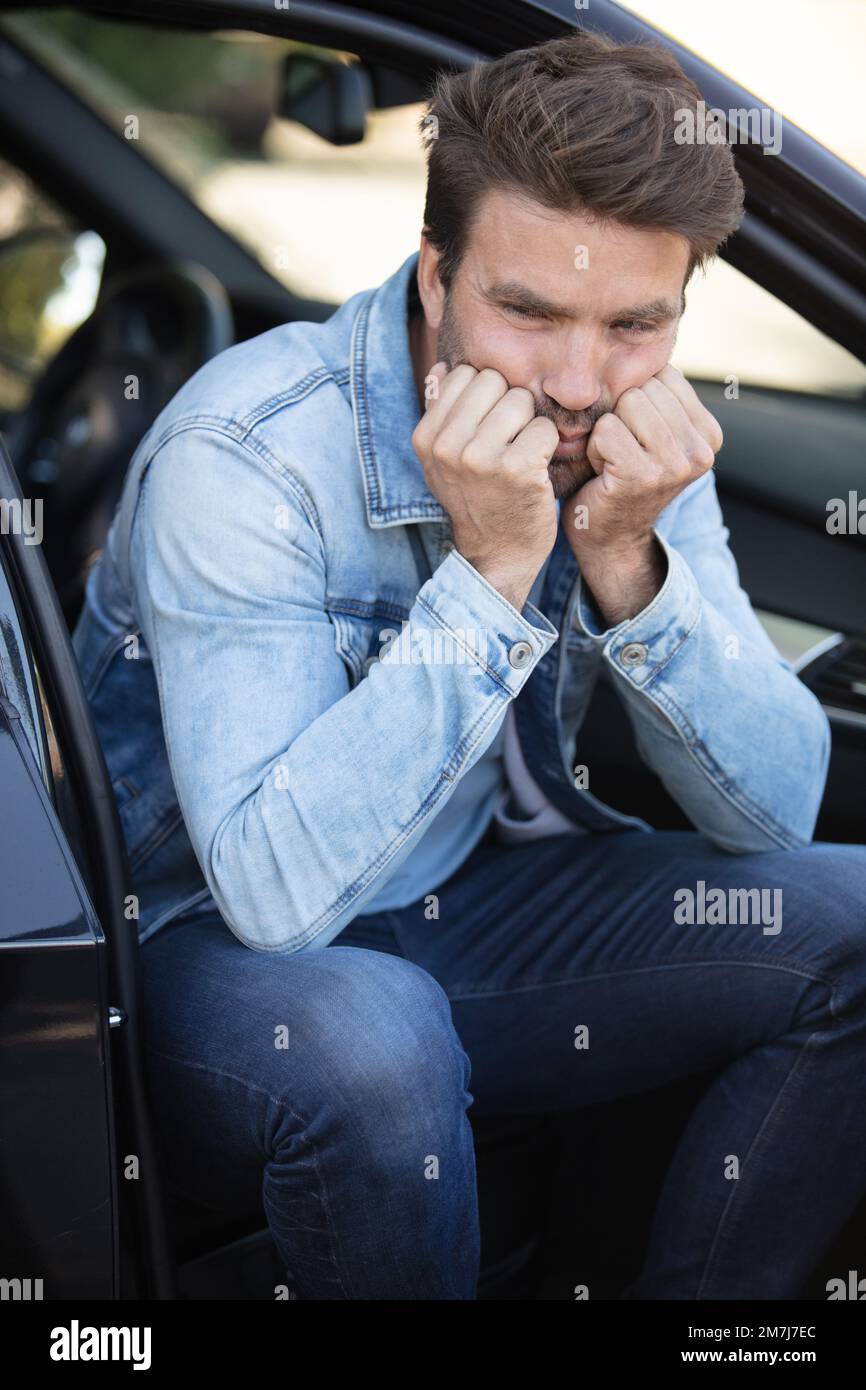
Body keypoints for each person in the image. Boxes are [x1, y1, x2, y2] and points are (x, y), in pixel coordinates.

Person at [73, 29, 866, 1299]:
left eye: (633, 324)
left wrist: (628, 561)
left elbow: (772, 811)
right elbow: (275, 902)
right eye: (528, 311)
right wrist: (492, 577)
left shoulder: (633, 431)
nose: (575, 383)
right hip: (187, 945)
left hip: (465, 897)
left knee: (850, 917)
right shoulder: (249, 453)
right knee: (368, 1043)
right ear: (435, 273)